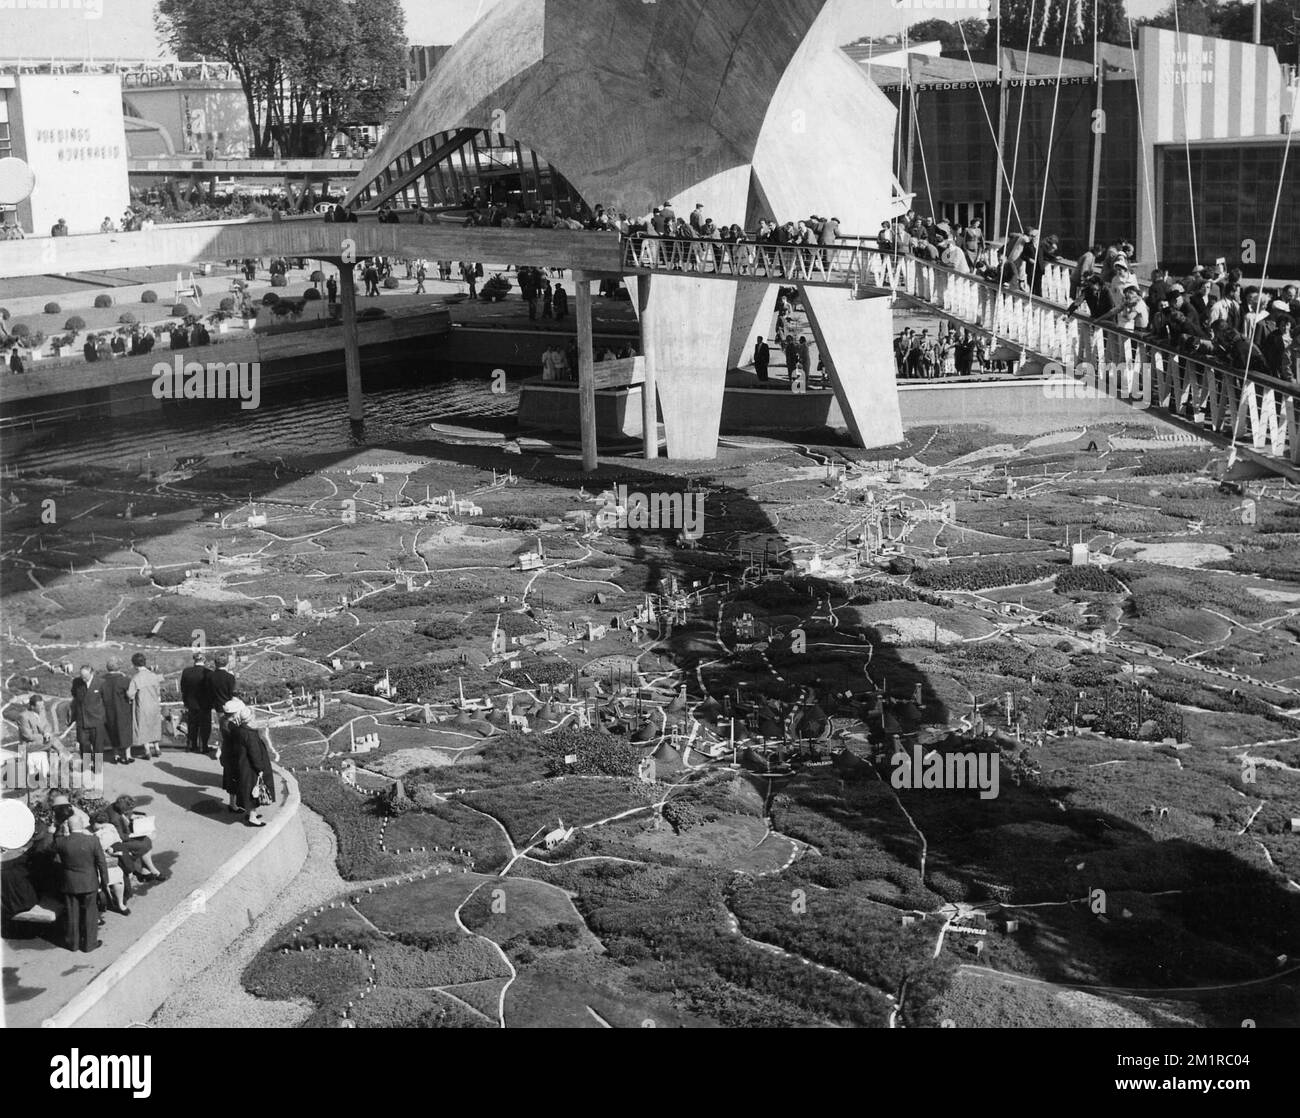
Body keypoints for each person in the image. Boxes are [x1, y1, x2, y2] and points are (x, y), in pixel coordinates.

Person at [54, 811, 108, 952]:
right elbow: (101, 862)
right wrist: (104, 881)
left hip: (70, 883)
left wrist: (62, 831)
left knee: (72, 914)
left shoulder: (60, 842)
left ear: (68, 827)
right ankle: (90, 944)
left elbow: (51, 853)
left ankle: (73, 944)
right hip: (89, 882)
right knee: (90, 913)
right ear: (82, 825)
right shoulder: (92, 841)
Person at [105, 795, 162, 882]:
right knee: (145, 844)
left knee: (147, 840)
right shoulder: (115, 819)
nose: (130, 811)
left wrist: (133, 816)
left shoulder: (117, 805)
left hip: (124, 832)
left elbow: (126, 814)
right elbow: (122, 837)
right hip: (118, 841)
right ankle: (152, 871)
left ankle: (146, 871)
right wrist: (135, 834)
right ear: (123, 809)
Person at [70, 665, 108, 774]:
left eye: (85, 677)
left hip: (97, 720)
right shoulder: (76, 682)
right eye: (81, 676)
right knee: (83, 743)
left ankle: (98, 766)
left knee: (98, 745)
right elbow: (74, 695)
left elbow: (106, 700)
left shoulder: (101, 683)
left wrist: (103, 718)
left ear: (92, 673)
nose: (83, 679)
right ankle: (86, 765)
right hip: (82, 720)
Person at [126, 652, 163, 760]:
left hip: (142, 705)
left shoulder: (136, 678)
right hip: (154, 704)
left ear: (134, 665)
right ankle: (157, 747)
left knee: (143, 727)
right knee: (154, 725)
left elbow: (130, 694)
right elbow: (158, 690)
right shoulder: (153, 676)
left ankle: (147, 750)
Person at [100, 658, 134, 765]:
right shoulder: (125, 680)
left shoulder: (101, 680)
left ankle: (116, 755)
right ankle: (127, 755)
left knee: (112, 731)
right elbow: (130, 695)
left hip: (107, 710)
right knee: (125, 732)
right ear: (119, 667)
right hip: (123, 709)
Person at [18, 695, 57, 786]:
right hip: (28, 745)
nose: (42, 708)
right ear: (32, 707)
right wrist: (43, 736)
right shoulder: (23, 716)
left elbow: (47, 725)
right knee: (53, 742)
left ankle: (47, 769)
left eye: (43, 706)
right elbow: (27, 735)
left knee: (52, 740)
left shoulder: (41, 713)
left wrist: (46, 732)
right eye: (40, 706)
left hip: (39, 743)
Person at [181, 652, 213, 752]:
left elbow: (183, 688)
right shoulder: (209, 673)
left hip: (191, 703)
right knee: (205, 726)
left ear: (194, 660)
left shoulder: (186, 672)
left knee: (192, 725)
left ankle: (192, 745)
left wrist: (185, 700)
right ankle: (204, 746)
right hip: (205, 704)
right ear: (204, 660)